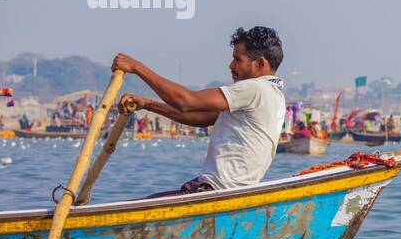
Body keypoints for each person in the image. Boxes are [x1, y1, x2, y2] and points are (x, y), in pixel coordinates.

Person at [115, 25, 286, 196]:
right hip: (230, 192)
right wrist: (148, 104)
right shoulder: (274, 95)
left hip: (217, 190)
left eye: (237, 59)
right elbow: (197, 116)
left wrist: (136, 66)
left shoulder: (255, 89)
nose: (231, 65)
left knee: (133, 213)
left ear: (260, 63)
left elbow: (187, 102)